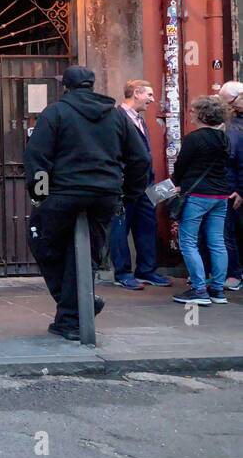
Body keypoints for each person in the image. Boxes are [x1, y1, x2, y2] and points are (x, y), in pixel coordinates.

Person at [24, 66, 149, 341]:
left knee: (42, 242)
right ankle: (77, 308)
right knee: (88, 254)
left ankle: (73, 313)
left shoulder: (55, 113)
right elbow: (141, 159)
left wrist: (40, 196)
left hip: (63, 194)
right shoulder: (117, 116)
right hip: (104, 195)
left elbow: (38, 159)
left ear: (65, 87)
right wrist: (127, 193)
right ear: (92, 86)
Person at [107, 79, 170, 290]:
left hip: (145, 185)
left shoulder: (140, 120)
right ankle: (123, 273)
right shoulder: (116, 117)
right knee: (119, 228)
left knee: (147, 226)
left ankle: (146, 270)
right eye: (149, 95)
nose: (152, 100)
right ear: (136, 93)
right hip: (125, 186)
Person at [171, 95, 232, 306]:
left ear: (202, 114)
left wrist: (176, 182)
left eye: (193, 110)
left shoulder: (194, 138)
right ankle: (217, 289)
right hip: (220, 195)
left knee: (188, 241)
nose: (190, 114)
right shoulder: (225, 138)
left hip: (198, 195)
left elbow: (181, 165)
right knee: (217, 242)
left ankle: (198, 290)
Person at [217, 81, 243, 291]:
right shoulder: (234, 125)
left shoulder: (235, 128)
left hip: (233, 188)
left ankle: (234, 273)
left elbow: (237, 160)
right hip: (233, 187)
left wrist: (239, 190)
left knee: (228, 232)